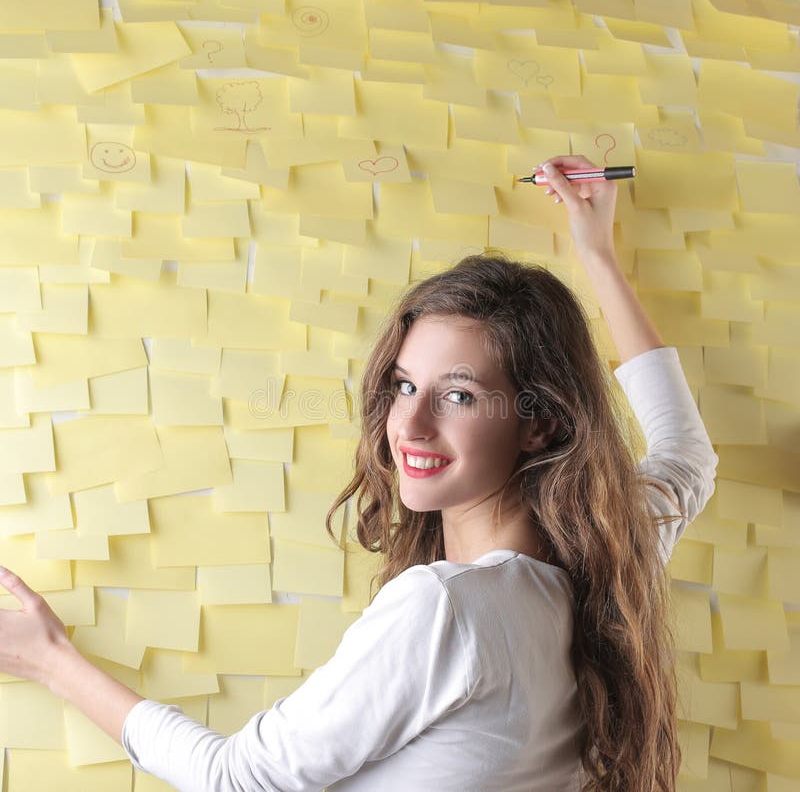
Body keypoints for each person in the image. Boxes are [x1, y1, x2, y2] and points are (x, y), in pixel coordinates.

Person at [0, 156, 718, 792]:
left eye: (459, 394)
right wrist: (597, 255)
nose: (408, 425)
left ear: (541, 420)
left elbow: (237, 778)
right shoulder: (609, 560)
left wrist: (52, 661)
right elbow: (687, 455)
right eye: (404, 385)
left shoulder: (444, 609)